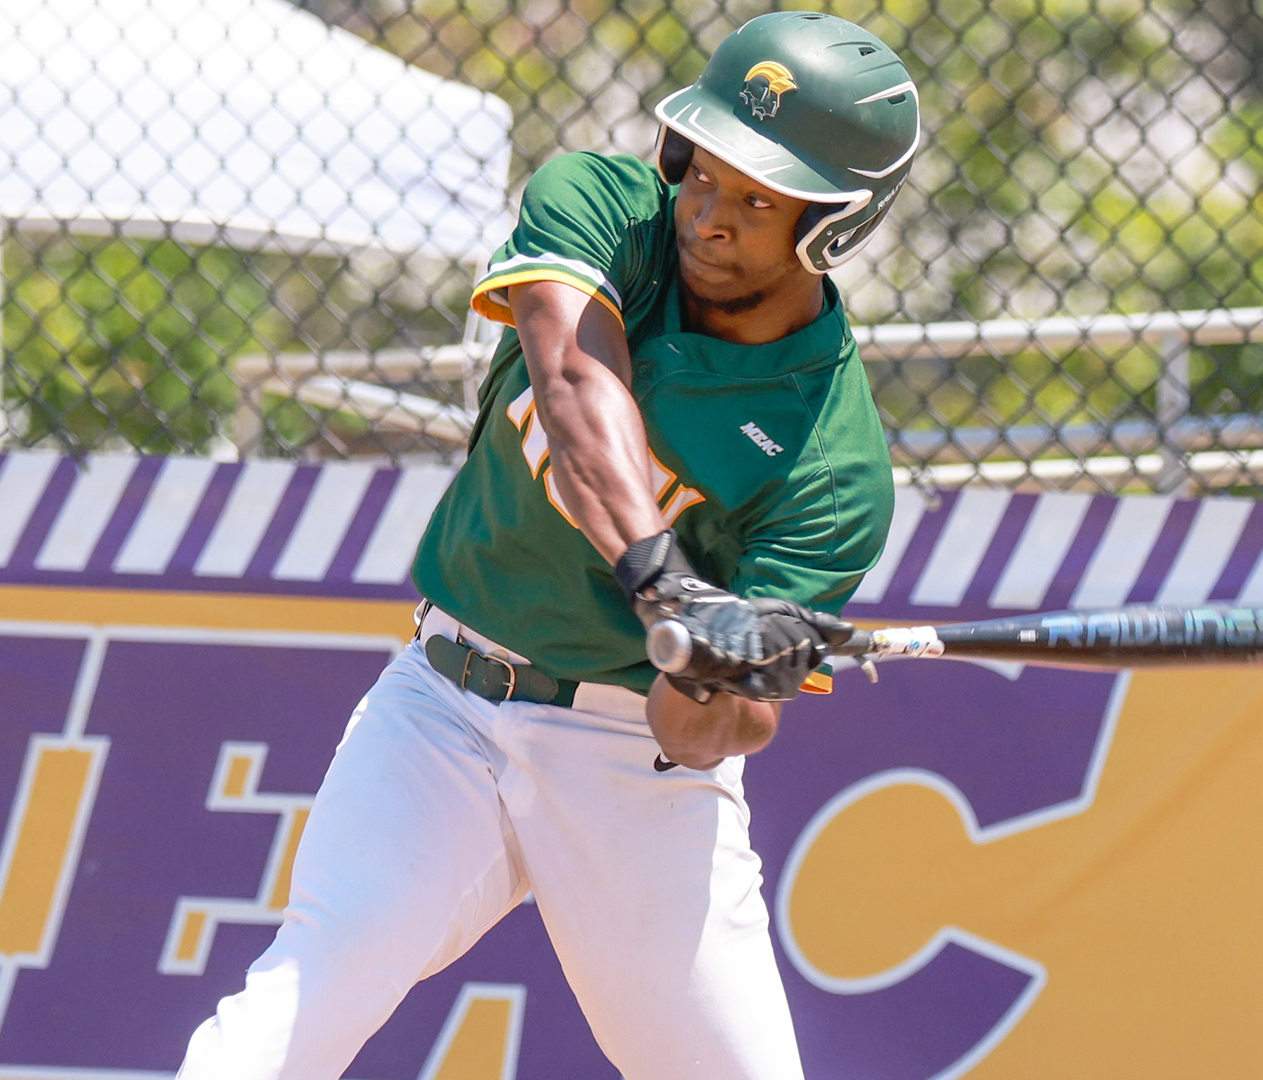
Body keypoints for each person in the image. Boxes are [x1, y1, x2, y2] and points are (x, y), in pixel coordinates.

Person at [176, 11, 920, 1079]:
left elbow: (709, 730)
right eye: (701, 171)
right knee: (313, 987)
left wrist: (722, 670)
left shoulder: (831, 466)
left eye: (757, 200)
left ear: (834, 225)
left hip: (635, 765)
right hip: (444, 708)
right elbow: (574, 389)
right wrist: (668, 589)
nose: (708, 214)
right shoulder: (604, 206)